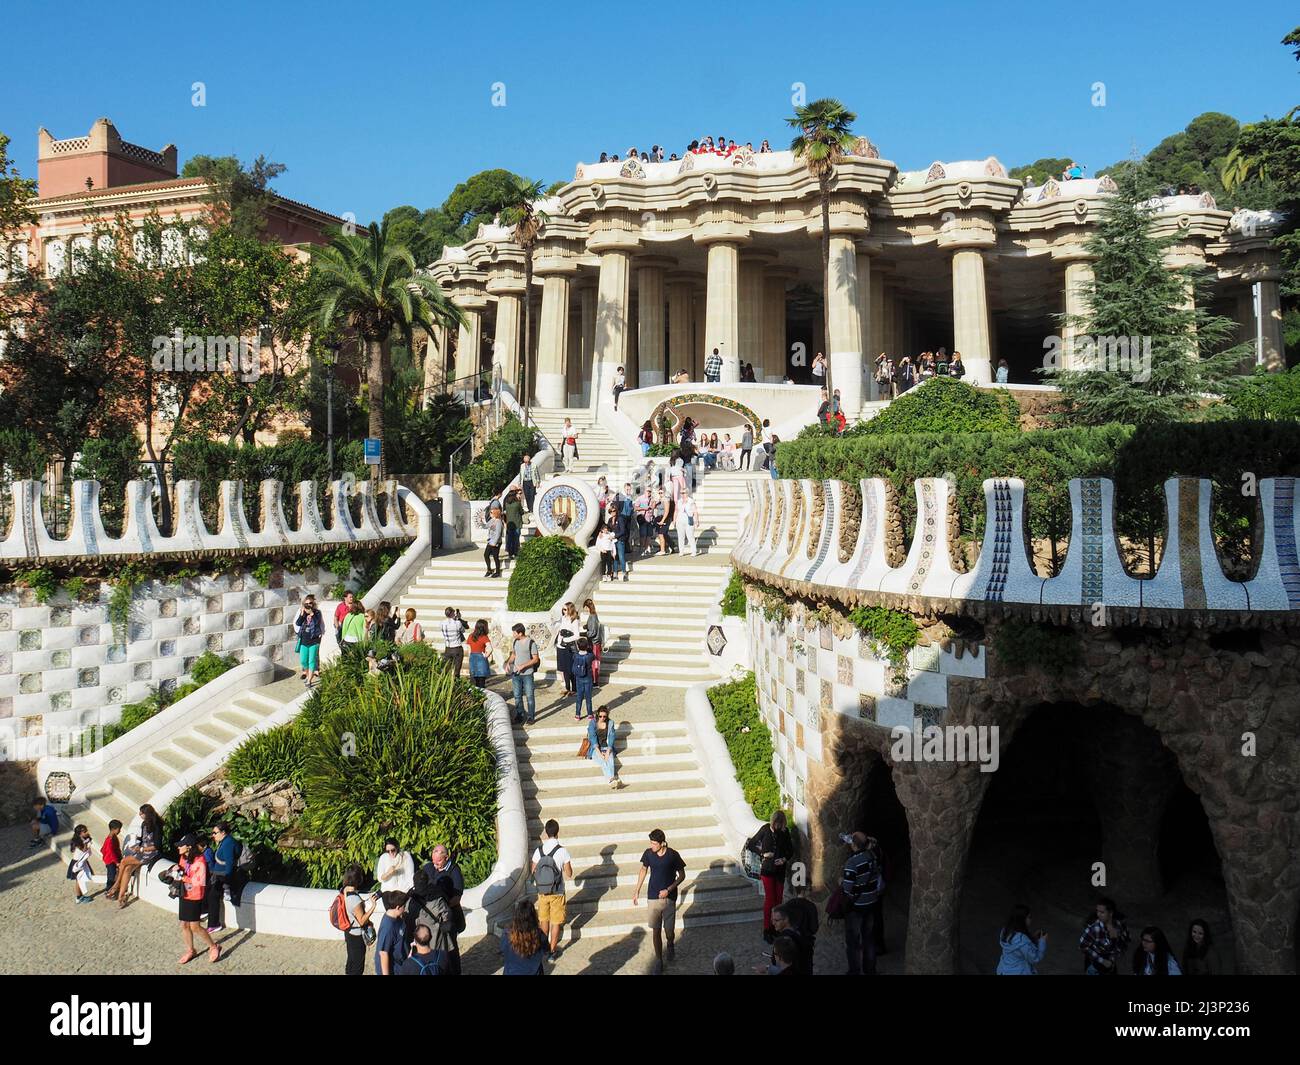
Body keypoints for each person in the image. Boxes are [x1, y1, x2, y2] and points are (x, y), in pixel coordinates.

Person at [632, 828, 686, 974]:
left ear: (662, 843)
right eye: (651, 843)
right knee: (655, 930)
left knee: (669, 931)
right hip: (653, 897)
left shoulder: (673, 855)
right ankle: (659, 960)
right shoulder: (648, 854)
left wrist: (669, 889)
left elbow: (682, 875)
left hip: (669, 898)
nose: (652, 846)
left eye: (654, 843)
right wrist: (637, 890)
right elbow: (643, 869)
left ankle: (670, 943)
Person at [173, 834, 220, 965]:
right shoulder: (183, 858)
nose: (178, 848)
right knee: (184, 924)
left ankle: (213, 946)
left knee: (195, 926)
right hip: (184, 894)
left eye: (180, 846)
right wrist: (175, 871)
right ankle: (190, 950)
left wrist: (182, 877)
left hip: (195, 896)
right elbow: (182, 871)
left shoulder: (200, 861)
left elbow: (199, 881)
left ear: (188, 847)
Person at [746, 810, 793, 941]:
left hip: (780, 870)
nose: (778, 826)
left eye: (780, 824)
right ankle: (767, 929)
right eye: (776, 823)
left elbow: (790, 850)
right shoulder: (765, 829)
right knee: (770, 900)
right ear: (773, 821)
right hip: (767, 869)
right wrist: (763, 854)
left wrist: (784, 859)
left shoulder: (785, 832)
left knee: (778, 900)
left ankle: (777, 928)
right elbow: (751, 844)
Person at [531, 820, 574, 961]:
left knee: (544, 920)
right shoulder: (562, 851)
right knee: (555, 922)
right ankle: (552, 951)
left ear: (545, 832)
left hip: (542, 892)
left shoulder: (539, 850)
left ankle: (543, 948)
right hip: (557, 892)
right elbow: (569, 873)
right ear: (557, 832)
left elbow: (533, 870)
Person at [842, 831, 884, 975]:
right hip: (871, 903)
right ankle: (870, 970)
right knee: (869, 939)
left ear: (853, 844)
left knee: (853, 941)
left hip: (856, 907)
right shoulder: (872, 857)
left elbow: (847, 889)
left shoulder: (852, 862)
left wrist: (841, 883)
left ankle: (854, 971)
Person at [423, 845, 465, 975]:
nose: (435, 865)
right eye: (434, 861)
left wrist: (441, 907)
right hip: (432, 917)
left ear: (446, 858)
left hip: (448, 916)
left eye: (439, 861)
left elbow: (457, 897)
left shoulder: (454, 871)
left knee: (450, 947)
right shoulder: (429, 868)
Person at [111, 804, 162, 906]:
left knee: (124, 862)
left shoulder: (157, 827)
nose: (140, 814)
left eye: (142, 813)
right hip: (142, 851)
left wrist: (142, 849)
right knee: (127, 869)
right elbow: (143, 839)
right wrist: (136, 844)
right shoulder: (144, 824)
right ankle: (121, 897)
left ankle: (116, 884)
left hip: (150, 853)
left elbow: (157, 845)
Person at [340, 863, 378, 976]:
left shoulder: (344, 890)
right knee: (357, 965)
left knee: (350, 960)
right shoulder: (355, 900)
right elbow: (361, 920)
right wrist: (373, 906)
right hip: (356, 935)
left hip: (348, 930)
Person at [206, 821, 244, 932]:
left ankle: (213, 924)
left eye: (215, 832)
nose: (213, 835)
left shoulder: (228, 844)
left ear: (223, 832)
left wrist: (227, 883)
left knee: (213, 895)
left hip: (223, 876)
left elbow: (229, 864)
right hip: (219, 874)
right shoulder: (224, 842)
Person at [1079, 896, 1130, 974]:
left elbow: (1125, 942)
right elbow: (1083, 946)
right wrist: (1102, 961)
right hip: (1095, 966)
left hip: (1111, 966)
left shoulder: (1119, 926)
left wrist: (1117, 940)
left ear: (1110, 913)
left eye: (1102, 912)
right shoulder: (1093, 929)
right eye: (1097, 911)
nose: (1098, 914)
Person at [996, 904, 1048, 974]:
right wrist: (1042, 941)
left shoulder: (1005, 931)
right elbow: (1035, 958)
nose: (1031, 919)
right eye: (1029, 917)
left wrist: (1032, 938)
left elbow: (1017, 945)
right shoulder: (1022, 940)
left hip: (1003, 970)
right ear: (1022, 920)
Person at [505, 622, 540, 725]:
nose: (513, 634)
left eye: (514, 633)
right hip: (516, 673)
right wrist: (508, 663)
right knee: (517, 695)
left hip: (527, 674)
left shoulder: (531, 643)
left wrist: (524, 666)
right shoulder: (515, 642)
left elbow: (535, 659)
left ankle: (531, 716)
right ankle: (520, 714)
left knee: (529, 696)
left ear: (520, 633)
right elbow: (514, 654)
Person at [502, 898, 549, 974]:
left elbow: (503, 950)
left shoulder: (507, 934)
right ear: (534, 917)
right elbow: (545, 949)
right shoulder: (539, 934)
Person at [374, 890, 410, 975]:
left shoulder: (396, 917)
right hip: (393, 969)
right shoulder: (388, 927)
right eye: (404, 906)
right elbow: (383, 953)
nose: (405, 909)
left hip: (400, 964)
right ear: (397, 907)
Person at [771, 903, 814, 974]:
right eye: (772, 920)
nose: (773, 923)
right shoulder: (799, 930)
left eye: (776, 920)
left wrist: (768, 969)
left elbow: (782, 966)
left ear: (786, 919)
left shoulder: (783, 940)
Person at [293, 595, 324, 687]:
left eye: (310, 603)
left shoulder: (317, 612)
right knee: (303, 661)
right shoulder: (303, 613)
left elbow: (318, 623)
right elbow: (298, 623)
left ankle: (309, 680)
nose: (308, 605)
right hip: (304, 640)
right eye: (306, 604)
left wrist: (312, 614)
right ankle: (307, 674)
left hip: (314, 640)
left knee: (311, 661)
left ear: (313, 604)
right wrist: (302, 614)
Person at [587, 704, 622, 787]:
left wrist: (608, 751)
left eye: (604, 717)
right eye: (600, 716)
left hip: (606, 747)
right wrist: (600, 753)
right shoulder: (592, 723)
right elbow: (592, 738)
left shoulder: (610, 723)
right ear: (597, 715)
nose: (602, 718)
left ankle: (611, 780)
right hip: (595, 749)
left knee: (609, 759)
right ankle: (611, 779)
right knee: (603, 761)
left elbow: (611, 737)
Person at [553, 602, 581, 695]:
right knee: (563, 668)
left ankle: (574, 689)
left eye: (565, 609)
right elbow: (560, 630)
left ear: (570, 609)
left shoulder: (574, 620)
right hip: (560, 646)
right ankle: (567, 688)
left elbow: (577, 635)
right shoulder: (563, 618)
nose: (563, 611)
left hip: (569, 647)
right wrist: (559, 642)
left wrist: (566, 639)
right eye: (563, 609)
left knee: (570, 668)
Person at [571, 636, 595, 720]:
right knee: (588, 698)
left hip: (578, 678)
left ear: (578, 646)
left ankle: (577, 715)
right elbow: (593, 656)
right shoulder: (589, 656)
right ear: (587, 646)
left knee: (579, 697)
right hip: (588, 678)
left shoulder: (575, 655)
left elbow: (573, 658)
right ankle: (589, 714)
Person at [69, 824, 95, 904]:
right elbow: (83, 850)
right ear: (80, 833)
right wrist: (86, 843)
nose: (87, 832)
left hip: (83, 862)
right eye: (84, 831)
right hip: (78, 863)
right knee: (78, 880)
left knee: (81, 879)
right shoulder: (78, 842)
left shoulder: (84, 839)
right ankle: (78, 897)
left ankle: (80, 895)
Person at [582, 598, 604, 683]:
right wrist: (586, 626)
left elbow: (593, 632)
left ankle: (595, 681)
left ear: (587, 607)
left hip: (594, 643)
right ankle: (594, 680)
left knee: (595, 662)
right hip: (595, 642)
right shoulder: (594, 615)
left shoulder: (592, 617)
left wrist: (583, 634)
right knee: (595, 662)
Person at [440, 606, 467, 675]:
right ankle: (456, 683)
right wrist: (458, 619)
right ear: (452, 613)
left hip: (448, 648)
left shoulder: (442, 623)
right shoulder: (457, 623)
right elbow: (463, 630)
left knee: (447, 669)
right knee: (456, 670)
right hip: (457, 648)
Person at [100, 819, 123, 900]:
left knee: (112, 875)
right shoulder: (110, 840)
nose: (119, 831)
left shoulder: (111, 838)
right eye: (119, 829)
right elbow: (111, 852)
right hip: (111, 861)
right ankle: (109, 891)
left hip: (109, 860)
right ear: (114, 829)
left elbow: (103, 849)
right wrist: (116, 862)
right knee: (111, 876)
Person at [484, 504, 504, 578]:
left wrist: (494, 543)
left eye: (491, 512)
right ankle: (489, 570)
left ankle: (498, 572)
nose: (490, 514)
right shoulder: (492, 520)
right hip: (490, 541)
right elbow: (486, 526)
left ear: (495, 513)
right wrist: (480, 522)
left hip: (496, 542)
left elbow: (498, 534)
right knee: (486, 555)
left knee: (496, 557)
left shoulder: (498, 522)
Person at [677, 488, 700, 556]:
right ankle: (681, 551)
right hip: (680, 520)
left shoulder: (691, 501)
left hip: (688, 520)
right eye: (681, 493)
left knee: (690, 536)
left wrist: (697, 521)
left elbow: (695, 511)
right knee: (680, 537)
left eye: (683, 493)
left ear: (687, 493)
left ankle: (694, 551)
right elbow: (676, 511)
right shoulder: (679, 501)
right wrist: (674, 520)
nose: (682, 494)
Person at [503, 489, 524, 560]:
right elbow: (522, 512)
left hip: (509, 524)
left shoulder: (506, 504)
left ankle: (510, 553)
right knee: (516, 539)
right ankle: (515, 553)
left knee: (510, 540)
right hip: (517, 523)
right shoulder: (517, 503)